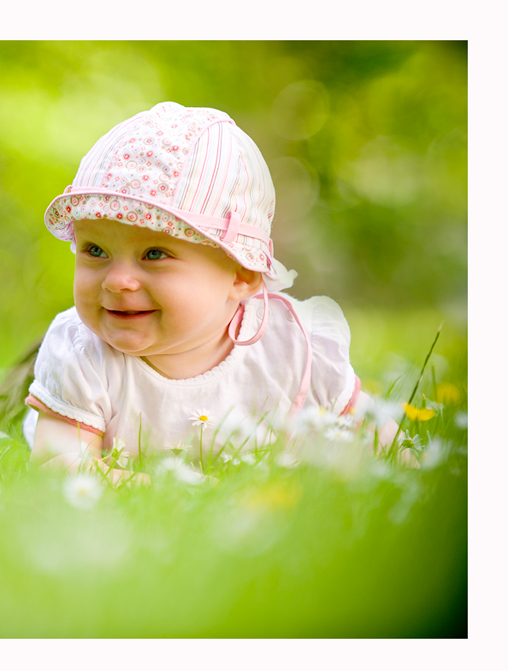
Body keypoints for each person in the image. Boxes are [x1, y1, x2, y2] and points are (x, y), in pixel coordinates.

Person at [23, 102, 394, 483]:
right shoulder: (83, 352)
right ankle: (23, 384)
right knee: (23, 398)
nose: (117, 281)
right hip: (99, 445)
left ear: (242, 275)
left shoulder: (295, 346)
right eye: (95, 251)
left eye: (154, 254)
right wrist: (154, 489)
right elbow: (58, 465)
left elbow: (382, 441)